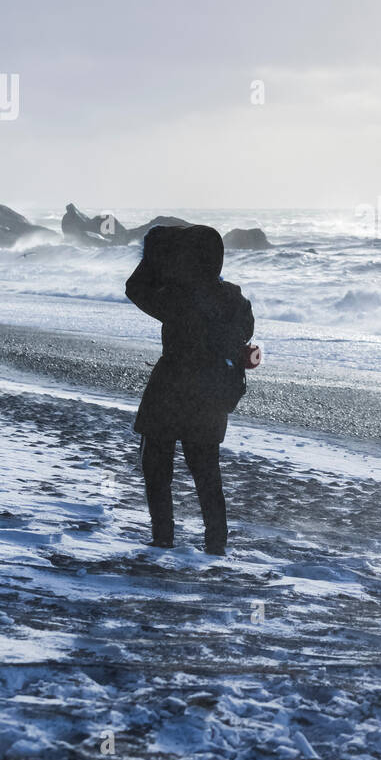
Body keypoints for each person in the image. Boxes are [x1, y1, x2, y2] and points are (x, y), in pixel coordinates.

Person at [125, 224, 254, 555]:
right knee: (207, 474)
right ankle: (216, 544)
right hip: (211, 396)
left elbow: (135, 287)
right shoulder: (237, 301)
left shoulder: (177, 298)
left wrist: (154, 255)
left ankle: (163, 538)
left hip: (170, 391)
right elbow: (245, 337)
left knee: (157, 470)